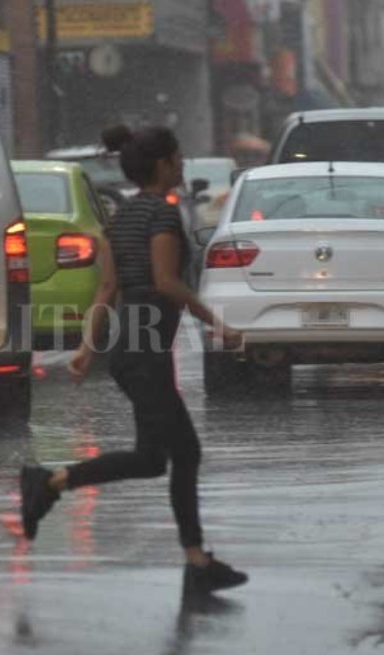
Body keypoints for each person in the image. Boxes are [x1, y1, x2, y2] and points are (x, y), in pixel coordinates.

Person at [18, 125, 249, 597]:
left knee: (168, 456)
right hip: (144, 351)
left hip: (133, 350)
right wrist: (215, 322)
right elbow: (165, 281)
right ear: (162, 164)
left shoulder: (120, 218)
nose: (183, 164)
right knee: (167, 456)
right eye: (178, 157)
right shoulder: (160, 216)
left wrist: (87, 347)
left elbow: (107, 289)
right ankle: (50, 484)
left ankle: (196, 560)